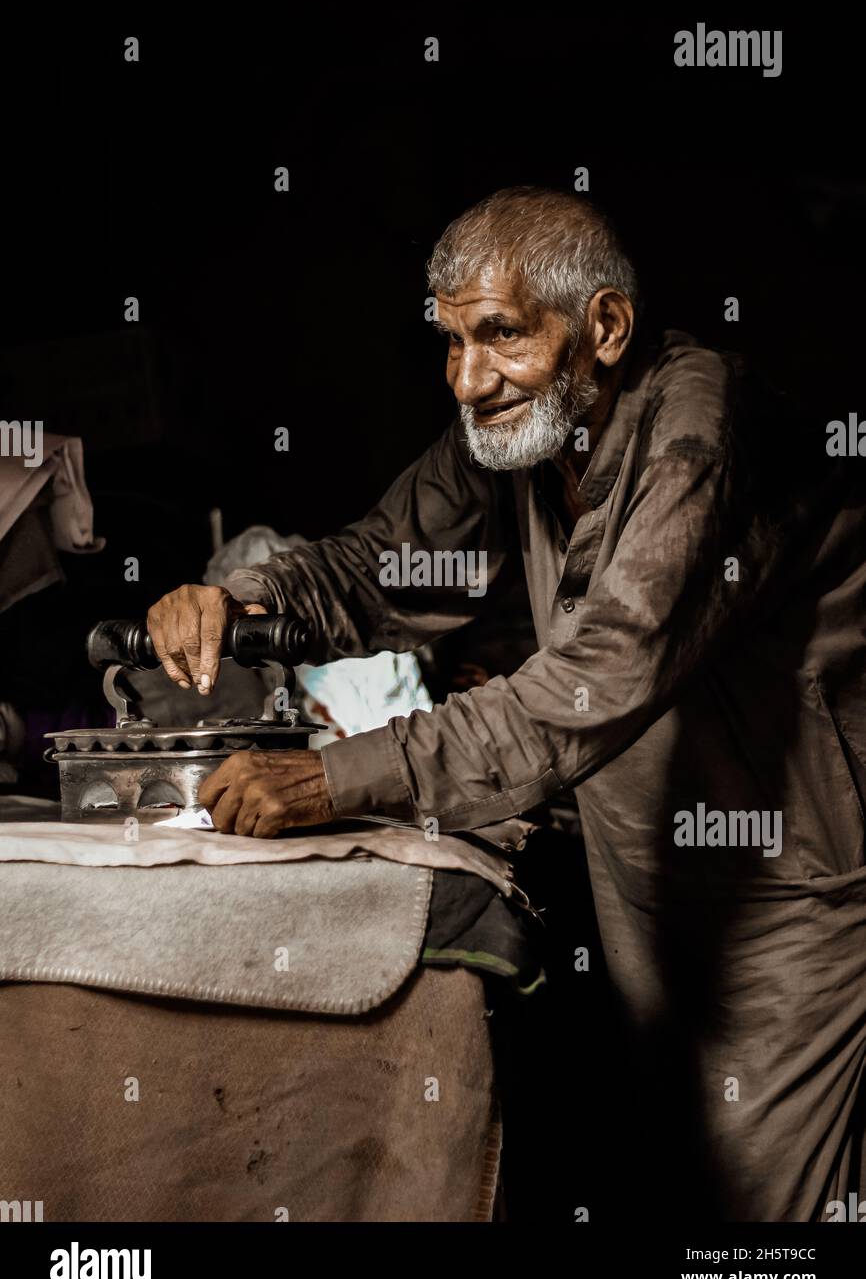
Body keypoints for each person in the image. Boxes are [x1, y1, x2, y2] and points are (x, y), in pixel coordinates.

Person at [147, 186, 866, 1220]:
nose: (466, 380)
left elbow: (592, 679)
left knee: (762, 1218)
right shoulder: (529, 428)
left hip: (786, 890)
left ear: (604, 328)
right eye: (448, 342)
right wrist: (237, 601)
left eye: (498, 336)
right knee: (681, 1183)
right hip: (642, 872)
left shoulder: (698, 438)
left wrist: (330, 777)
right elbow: (376, 567)